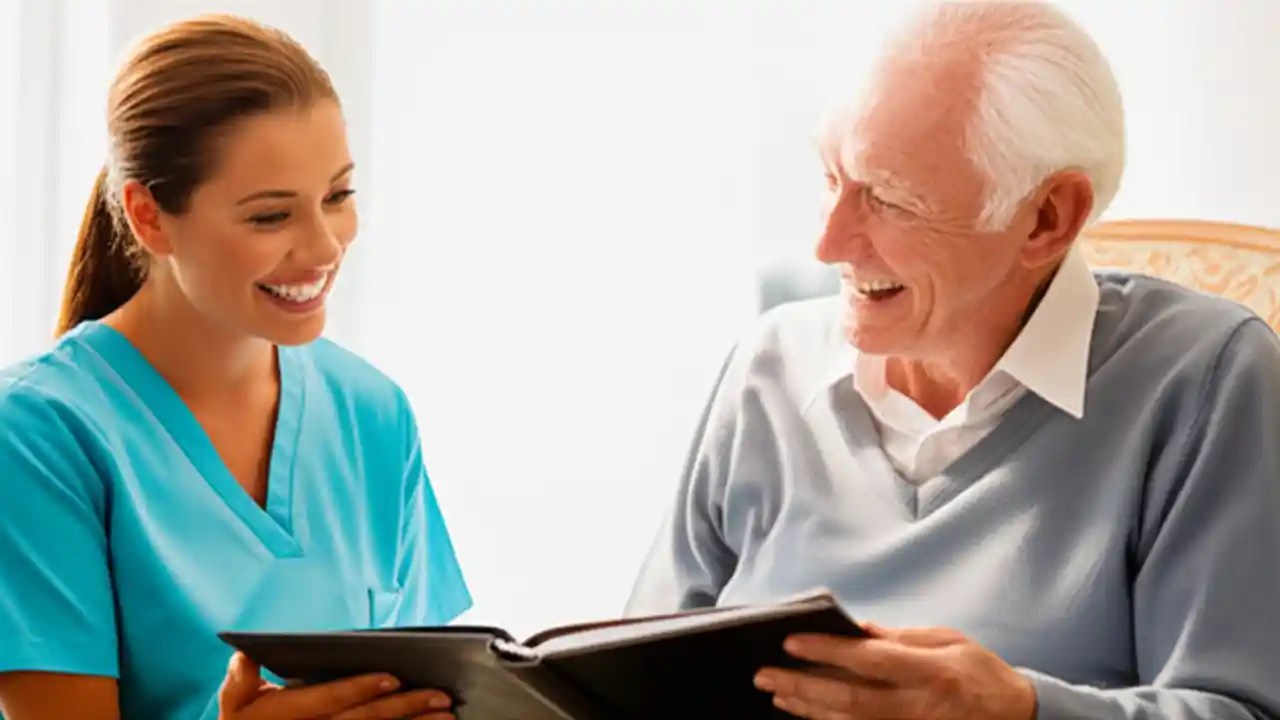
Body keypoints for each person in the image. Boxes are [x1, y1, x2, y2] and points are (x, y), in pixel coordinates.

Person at [627, 2, 1280, 718]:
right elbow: (623, 671)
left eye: (888, 198)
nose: (829, 243)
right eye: (830, 177)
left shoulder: (1204, 379)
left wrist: (1019, 709)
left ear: (1046, 218)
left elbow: (1237, 708)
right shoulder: (772, 366)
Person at [0, 15, 470, 720]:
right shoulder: (39, 433)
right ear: (149, 217)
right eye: (270, 217)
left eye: (338, 197)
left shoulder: (374, 413)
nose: (324, 248)